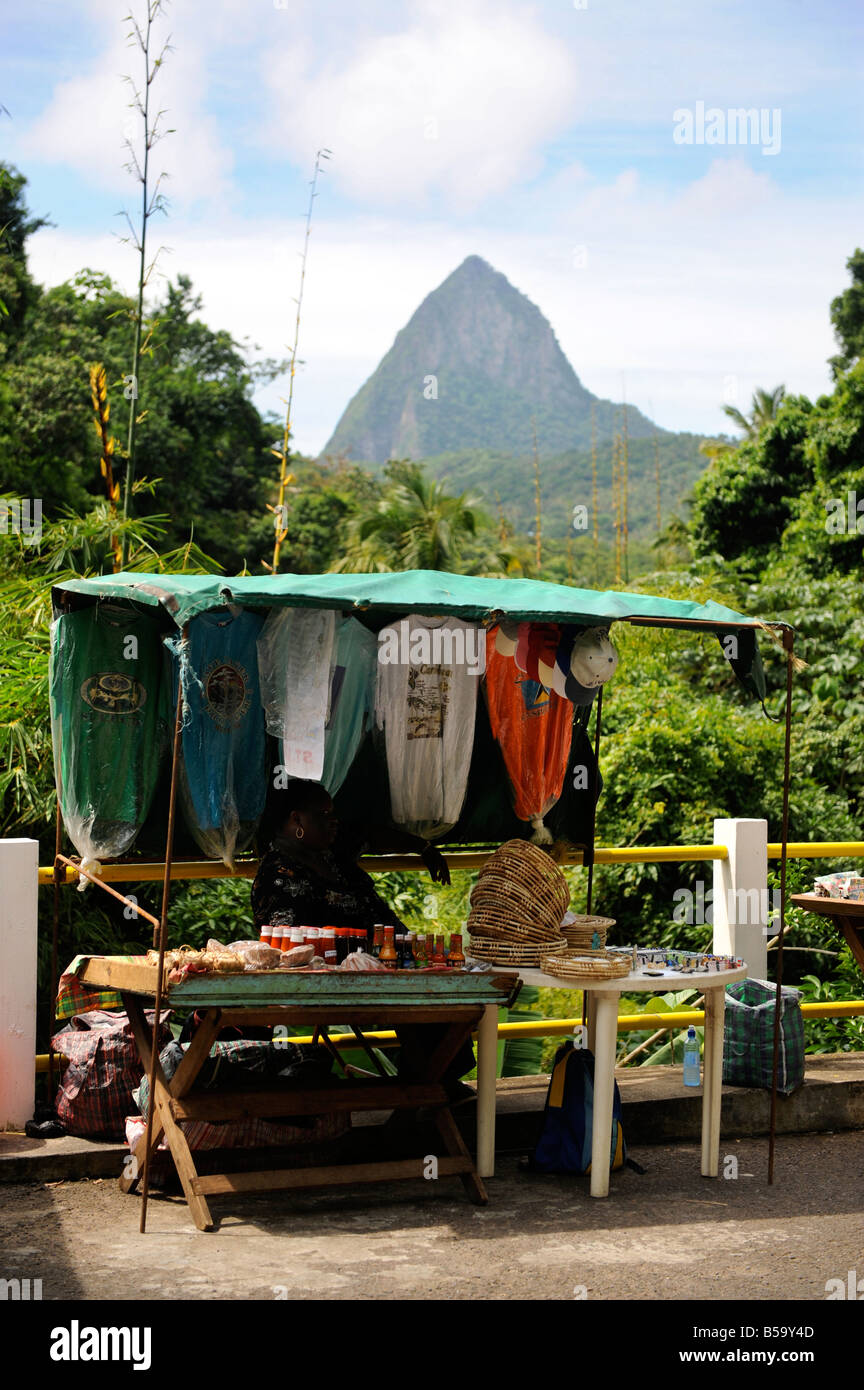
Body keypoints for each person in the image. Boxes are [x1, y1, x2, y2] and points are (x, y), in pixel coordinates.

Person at [251, 780, 474, 1094]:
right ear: (296, 819)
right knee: (418, 995)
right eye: (323, 815)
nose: (333, 821)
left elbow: (370, 834)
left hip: (394, 957)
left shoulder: (331, 850)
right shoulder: (276, 875)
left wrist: (423, 847)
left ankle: (435, 1080)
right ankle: (427, 1087)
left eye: (334, 814)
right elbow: (290, 949)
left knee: (446, 980)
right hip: (348, 976)